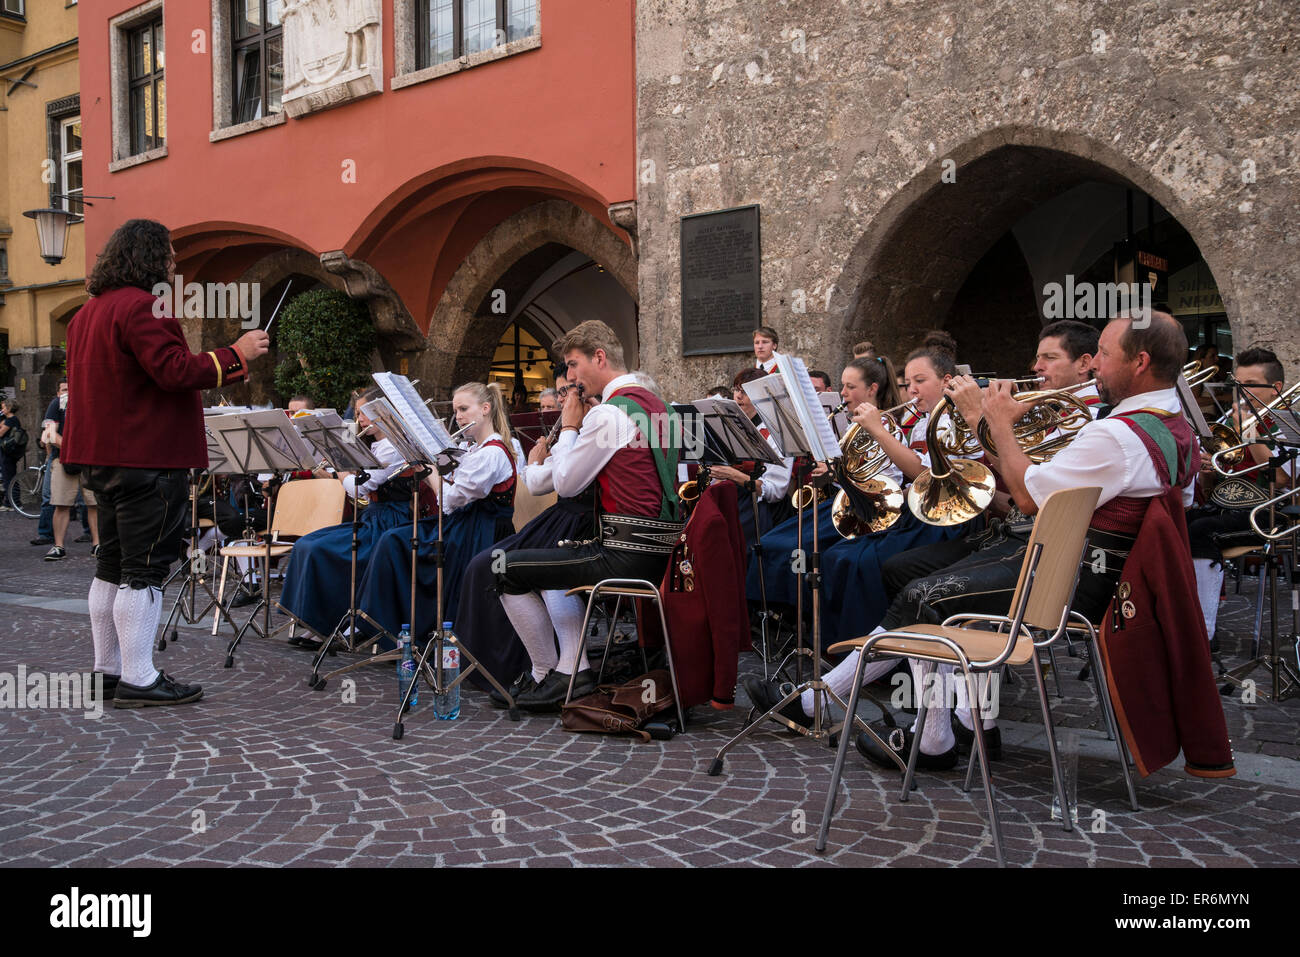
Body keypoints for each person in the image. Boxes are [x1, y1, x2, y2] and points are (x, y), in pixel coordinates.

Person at [854, 311, 1202, 771]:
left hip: (1066, 576)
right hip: (1093, 567)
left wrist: (988, 418)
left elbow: (1025, 497)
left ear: (1139, 362)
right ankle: (951, 723)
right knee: (923, 577)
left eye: (1103, 355)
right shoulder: (1174, 426)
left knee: (925, 595)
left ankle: (904, 727)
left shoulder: (1116, 435)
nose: (1095, 364)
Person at [64, 218, 270, 707]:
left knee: (110, 565)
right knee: (145, 569)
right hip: (147, 457)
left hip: (102, 457)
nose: (174, 262)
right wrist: (234, 354)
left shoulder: (85, 315)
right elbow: (174, 371)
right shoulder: (143, 308)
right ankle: (138, 677)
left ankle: (106, 671)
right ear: (149, 257)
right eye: (169, 254)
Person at [744, 351, 974, 726]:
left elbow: (923, 477)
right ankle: (833, 650)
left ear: (947, 381)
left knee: (856, 561)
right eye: (907, 382)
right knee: (822, 554)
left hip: (938, 520)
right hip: (916, 514)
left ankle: (861, 667)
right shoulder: (923, 421)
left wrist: (878, 432)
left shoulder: (949, 420)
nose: (911, 389)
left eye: (920, 381)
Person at [494, 320, 683, 713]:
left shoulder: (609, 414)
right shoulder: (660, 407)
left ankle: (551, 673)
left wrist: (569, 427)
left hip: (623, 553)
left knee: (504, 568)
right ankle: (567, 669)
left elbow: (566, 483)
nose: (571, 377)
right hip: (660, 550)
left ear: (599, 357)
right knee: (549, 560)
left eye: (573, 364)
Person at [356, 381, 517, 642]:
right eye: (456, 411)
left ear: (486, 408)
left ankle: (407, 631)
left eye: (464, 409)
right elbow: (453, 475)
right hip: (464, 525)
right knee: (395, 539)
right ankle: (389, 627)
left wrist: (428, 469)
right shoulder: (471, 448)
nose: (459, 417)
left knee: (395, 542)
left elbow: (451, 498)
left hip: (481, 533)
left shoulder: (492, 453)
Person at [276, 387, 414, 649]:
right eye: (359, 413)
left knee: (326, 551)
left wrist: (339, 465)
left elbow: (359, 488)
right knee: (307, 544)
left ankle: (338, 624)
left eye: (365, 413)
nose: (360, 419)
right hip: (373, 517)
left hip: (392, 521)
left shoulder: (393, 448)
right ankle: (318, 624)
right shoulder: (373, 444)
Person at [1188, 347, 1292, 648]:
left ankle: (1204, 631)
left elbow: (1281, 480)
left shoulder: (1286, 425)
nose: (1242, 394)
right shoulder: (1233, 421)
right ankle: (1182, 617)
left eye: (1250, 386)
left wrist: (1249, 431)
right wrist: (1208, 470)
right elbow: (1212, 491)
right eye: (1239, 386)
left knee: (1201, 531)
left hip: (1273, 511)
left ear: (1275, 390)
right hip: (1232, 504)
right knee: (1173, 523)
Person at [44, 382, 101, 561]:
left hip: (89, 461)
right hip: (63, 460)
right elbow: (50, 434)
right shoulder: (56, 404)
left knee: (94, 504)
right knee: (61, 504)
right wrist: (73, 449)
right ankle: (59, 545)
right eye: (65, 389)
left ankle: (98, 544)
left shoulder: (91, 401)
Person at [0, 398, 25, 511]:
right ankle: (10, 502)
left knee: (9, 477)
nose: (2, 409)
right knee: (9, 477)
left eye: (4, 407)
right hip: (9, 452)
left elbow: (1, 433)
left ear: (9, 408)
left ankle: (14, 503)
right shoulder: (11, 419)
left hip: (7, 452)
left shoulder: (10, 420)